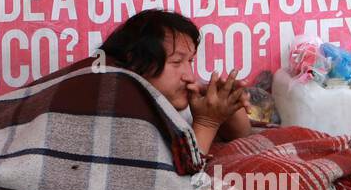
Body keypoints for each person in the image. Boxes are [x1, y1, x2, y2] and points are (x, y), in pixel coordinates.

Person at [98, 9, 252, 155]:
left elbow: (242, 136)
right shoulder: (124, 112)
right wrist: (206, 123)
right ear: (136, 63)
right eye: (177, 62)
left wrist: (226, 102)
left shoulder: (175, 101)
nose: (189, 76)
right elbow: (181, 175)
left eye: (190, 61)